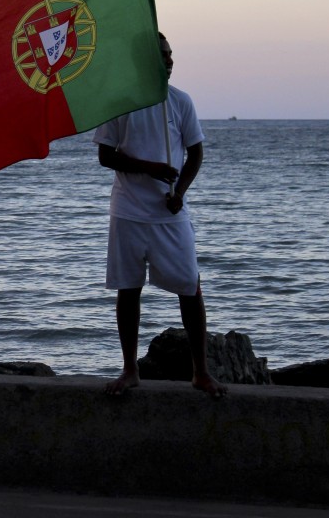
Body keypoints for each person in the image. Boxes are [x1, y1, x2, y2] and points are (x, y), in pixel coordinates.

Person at [93, 33, 226, 399]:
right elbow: (106, 156)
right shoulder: (120, 101)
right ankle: (130, 369)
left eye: (171, 56)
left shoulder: (180, 101)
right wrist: (149, 167)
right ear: (144, 61)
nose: (169, 62)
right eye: (163, 57)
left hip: (169, 212)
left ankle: (201, 372)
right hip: (129, 209)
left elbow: (195, 153)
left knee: (190, 285)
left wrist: (180, 192)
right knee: (128, 287)